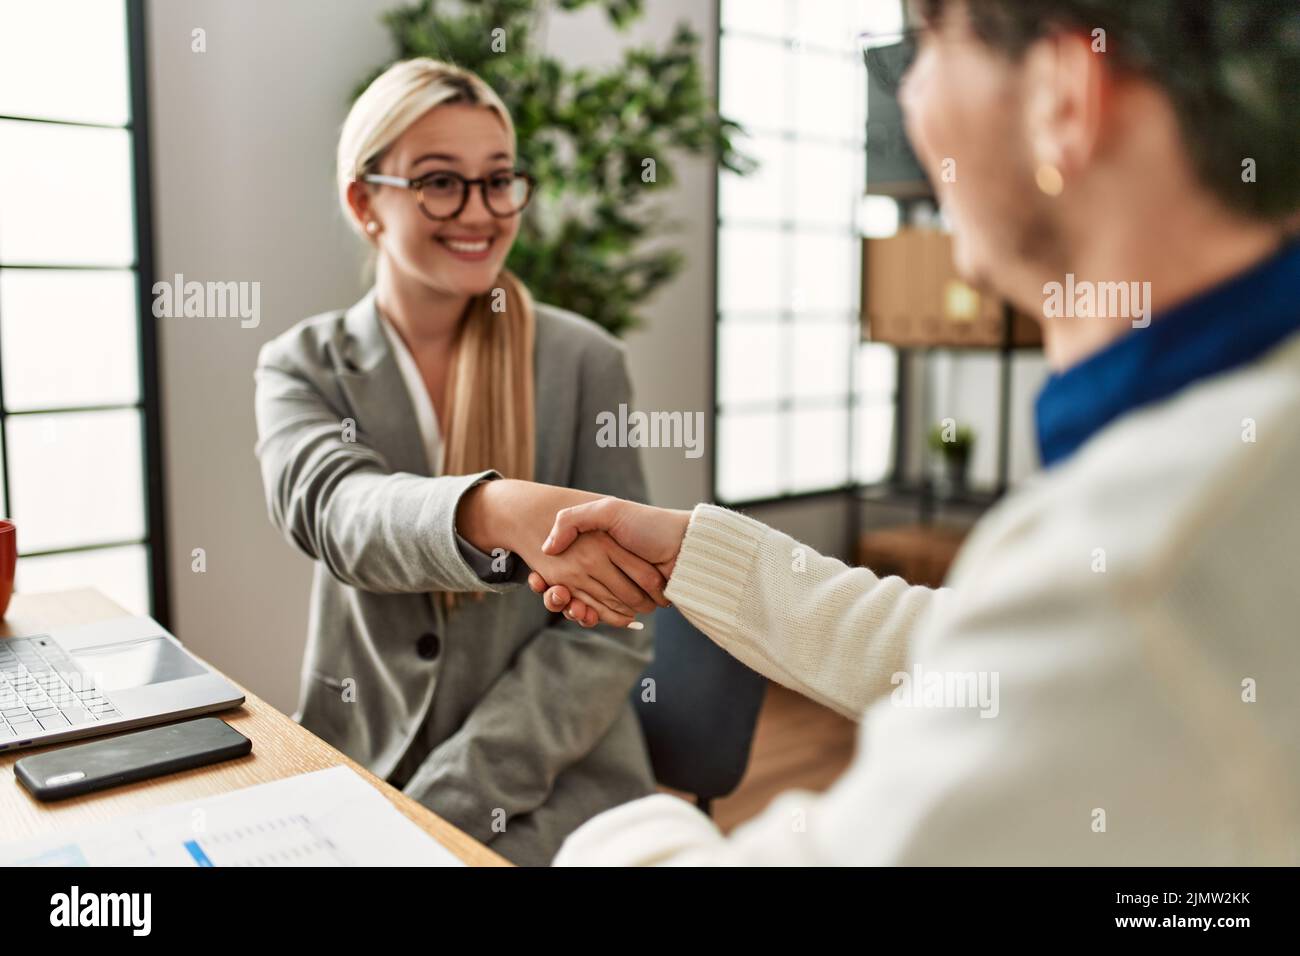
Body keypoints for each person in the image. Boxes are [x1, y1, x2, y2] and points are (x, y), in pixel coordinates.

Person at [527, 0, 1300, 864]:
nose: (907, 98)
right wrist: (696, 557)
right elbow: (987, 657)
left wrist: (620, 826)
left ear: (1064, 99)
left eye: (930, 43)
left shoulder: (1153, 563)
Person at [253, 58, 667, 866]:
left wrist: (447, 804)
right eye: (440, 182)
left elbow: (616, 624)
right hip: (358, 770)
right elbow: (336, 512)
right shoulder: (302, 365)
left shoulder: (586, 362)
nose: (479, 213)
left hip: (555, 796)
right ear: (364, 202)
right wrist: (494, 508)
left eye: (499, 180)